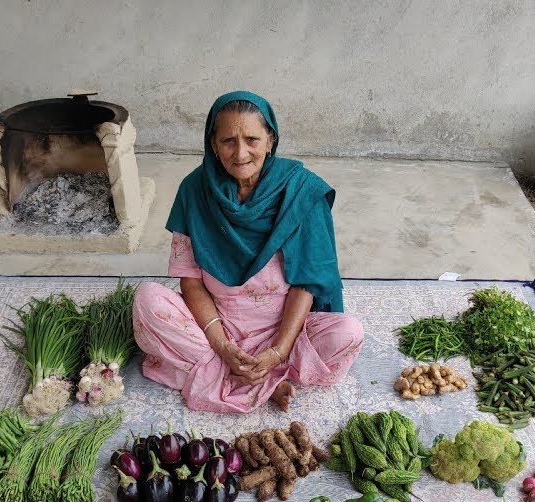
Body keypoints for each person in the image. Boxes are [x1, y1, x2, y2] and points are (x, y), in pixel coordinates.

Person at [132, 91, 364, 413]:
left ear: (271, 140)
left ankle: (254, 372)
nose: (240, 153)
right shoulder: (194, 190)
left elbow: (306, 282)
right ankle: (259, 379)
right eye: (228, 141)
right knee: (147, 300)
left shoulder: (300, 191)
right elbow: (191, 282)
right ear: (212, 144)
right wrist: (223, 346)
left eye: (252, 139)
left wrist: (278, 351)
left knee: (348, 333)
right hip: (216, 325)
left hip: (284, 329)